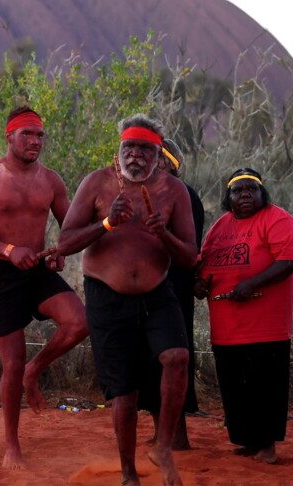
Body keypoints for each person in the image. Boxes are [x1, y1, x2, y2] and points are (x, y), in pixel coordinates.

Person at [58, 115, 198, 486]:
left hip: (157, 291)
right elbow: (64, 242)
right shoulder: (97, 183)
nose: (135, 156)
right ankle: (128, 473)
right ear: (119, 149)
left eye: (145, 149)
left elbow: (189, 256)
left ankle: (163, 447)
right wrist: (106, 224)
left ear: (159, 152)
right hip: (106, 295)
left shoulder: (174, 191)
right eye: (129, 148)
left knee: (177, 356)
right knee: (124, 391)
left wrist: (164, 234)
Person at [0, 106, 88, 469]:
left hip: (38, 268)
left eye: (40, 135)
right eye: (27, 134)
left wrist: (60, 251)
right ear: (9, 136)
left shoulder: (52, 180)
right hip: (1, 275)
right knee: (11, 363)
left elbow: (70, 227)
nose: (35, 142)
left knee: (79, 322)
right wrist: (9, 250)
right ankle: (11, 444)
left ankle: (37, 369)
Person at [193, 168, 293, 464]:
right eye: (237, 190)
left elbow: (292, 258)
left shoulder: (277, 219)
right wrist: (201, 283)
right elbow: (205, 269)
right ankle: (249, 440)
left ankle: (267, 446)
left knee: (264, 387)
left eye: (251, 189)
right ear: (227, 197)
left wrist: (252, 283)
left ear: (262, 193)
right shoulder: (220, 227)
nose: (244, 194)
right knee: (234, 386)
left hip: (265, 327)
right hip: (226, 328)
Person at [139, 138, 204, 450]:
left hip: (171, 291)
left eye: (150, 154)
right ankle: (160, 432)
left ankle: (177, 437)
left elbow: (188, 249)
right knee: (151, 360)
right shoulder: (149, 192)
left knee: (171, 358)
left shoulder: (184, 194)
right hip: (147, 290)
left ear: (165, 162)